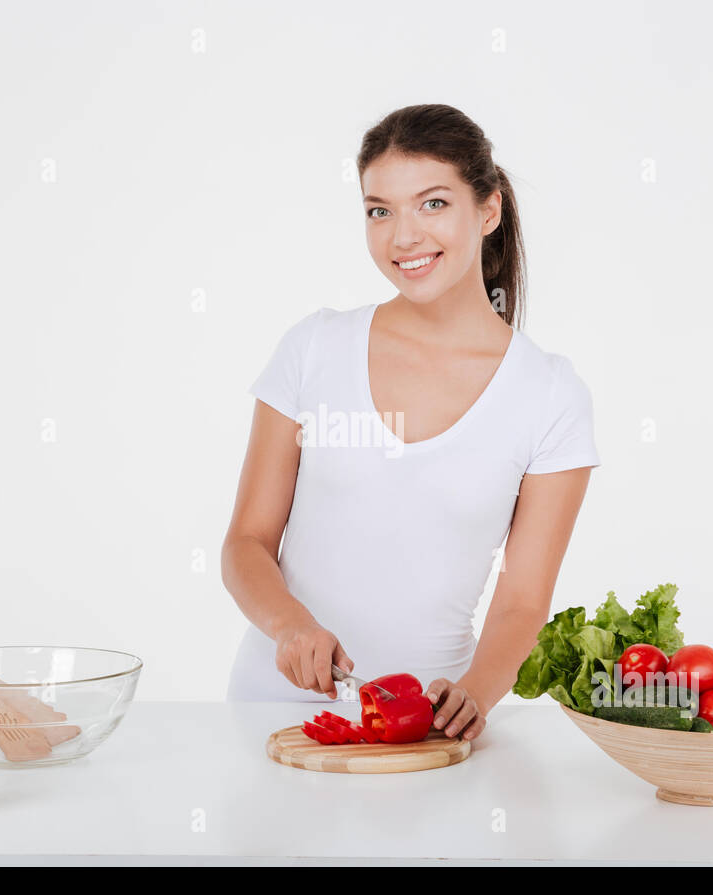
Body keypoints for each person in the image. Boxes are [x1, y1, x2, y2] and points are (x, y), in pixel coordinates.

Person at [221, 104, 600, 742]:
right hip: (277, 714)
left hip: (430, 729)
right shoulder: (314, 348)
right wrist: (291, 627)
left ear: (489, 210)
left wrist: (475, 695)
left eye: (432, 204)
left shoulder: (551, 394)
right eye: (379, 210)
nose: (403, 237)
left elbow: (522, 601)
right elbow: (246, 542)